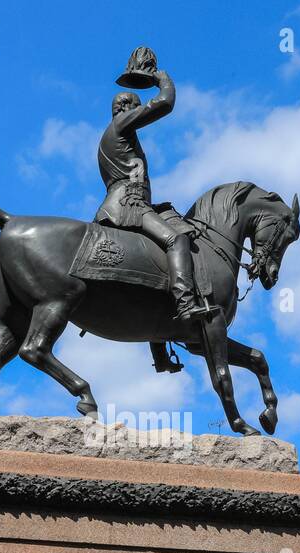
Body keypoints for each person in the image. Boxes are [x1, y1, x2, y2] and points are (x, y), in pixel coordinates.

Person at [95, 49, 215, 374]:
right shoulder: (120, 125)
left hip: (133, 203)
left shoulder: (119, 136)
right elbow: (163, 104)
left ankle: (160, 353)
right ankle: (186, 304)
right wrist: (163, 82)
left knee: (155, 267)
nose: (138, 115)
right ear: (124, 109)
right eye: (134, 107)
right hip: (128, 206)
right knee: (175, 240)